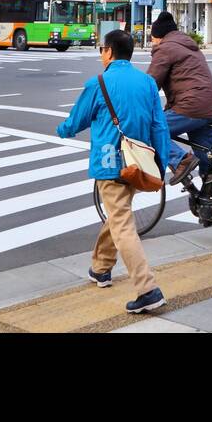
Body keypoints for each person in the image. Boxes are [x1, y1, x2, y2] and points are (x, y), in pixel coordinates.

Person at [57, 29, 175, 314]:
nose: (101, 54)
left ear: (108, 51)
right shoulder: (147, 83)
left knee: (121, 223)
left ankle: (148, 289)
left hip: (109, 165)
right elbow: (160, 125)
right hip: (138, 165)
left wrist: (63, 130)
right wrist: (160, 164)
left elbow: (75, 121)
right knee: (118, 214)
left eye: (101, 49)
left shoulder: (99, 82)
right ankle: (100, 268)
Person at [147, 11, 212, 199]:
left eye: (152, 39)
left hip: (191, 107)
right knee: (208, 164)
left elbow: (150, 85)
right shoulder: (190, 47)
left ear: (158, 37)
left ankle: (181, 160)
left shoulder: (165, 49)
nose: (152, 43)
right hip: (210, 108)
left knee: (148, 128)